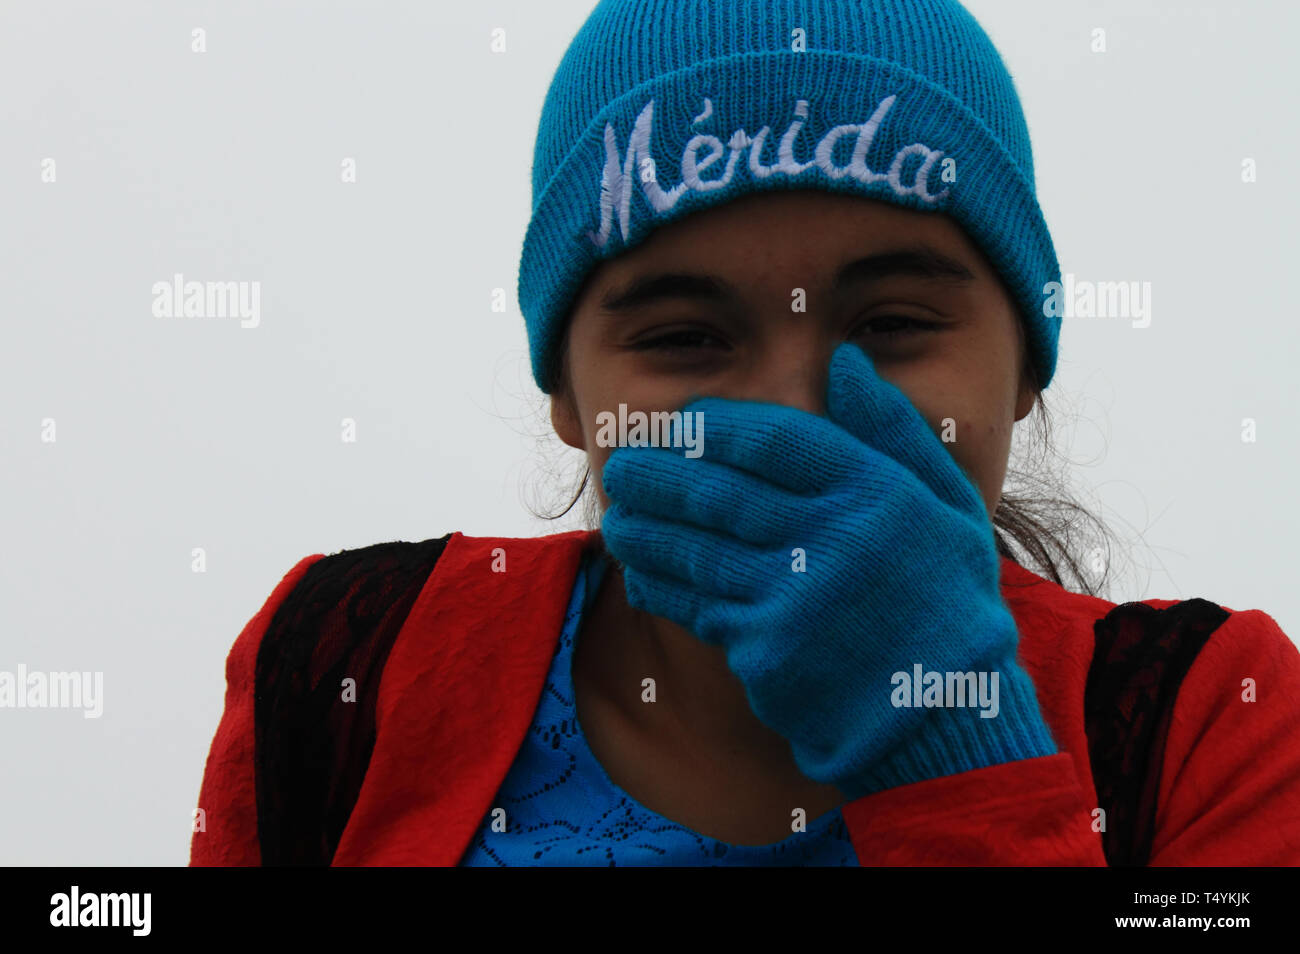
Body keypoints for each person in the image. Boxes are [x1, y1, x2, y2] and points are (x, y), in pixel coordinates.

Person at [190, 0, 1300, 866]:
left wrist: (949, 739)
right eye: (683, 336)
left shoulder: (1207, 722)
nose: (791, 407)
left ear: (1023, 370)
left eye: (893, 324)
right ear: (570, 401)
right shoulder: (343, 666)